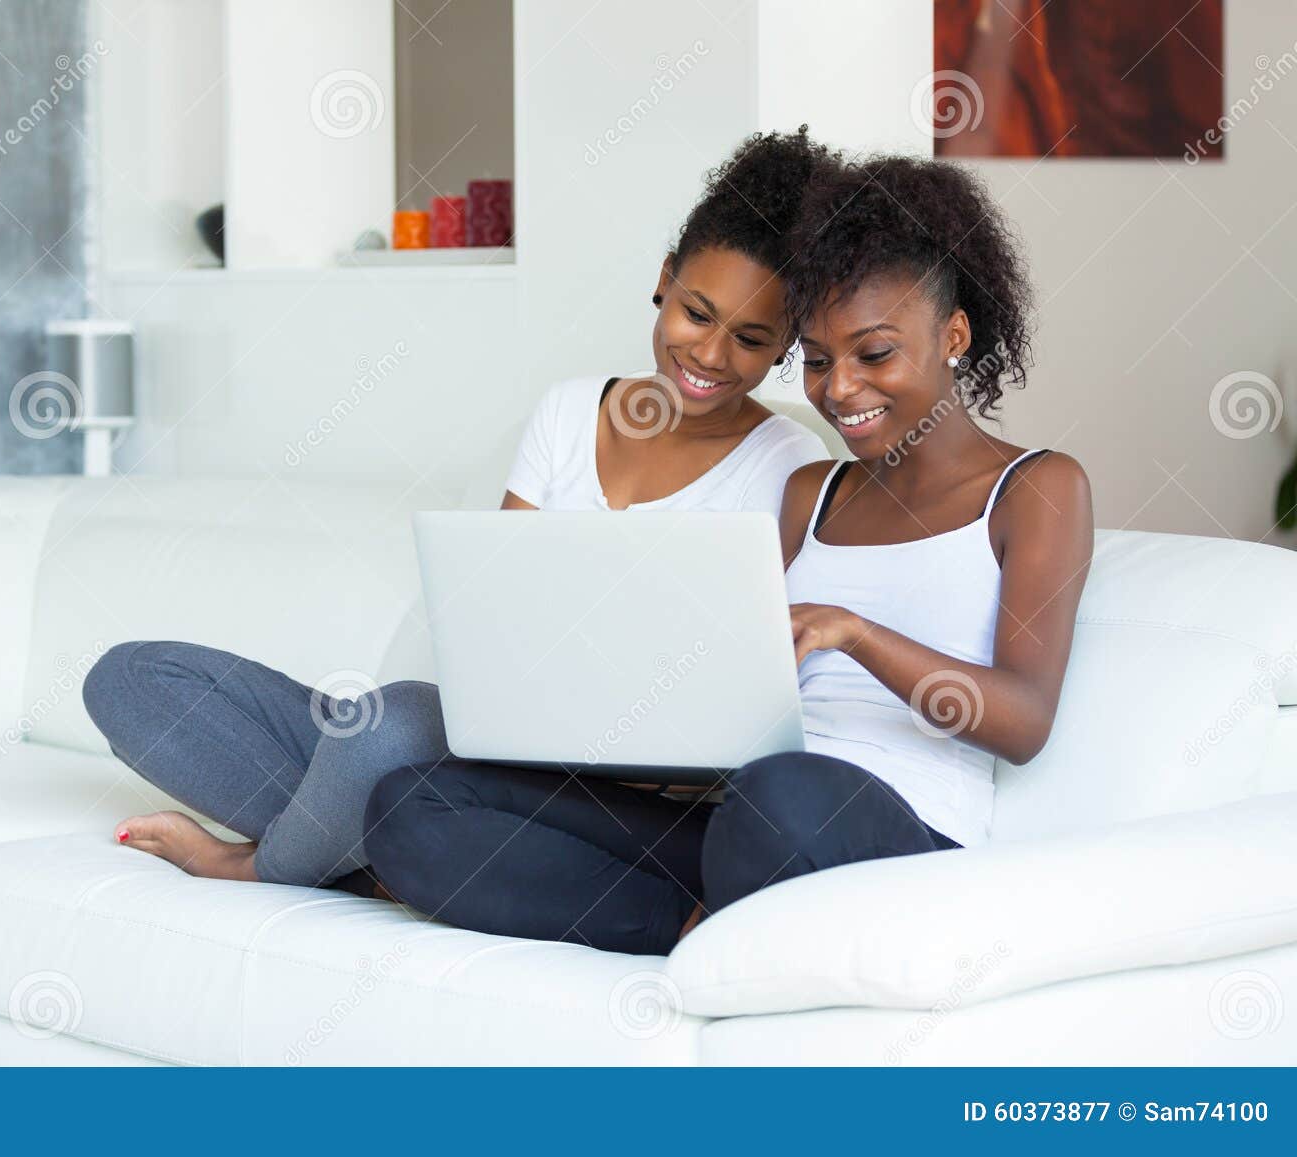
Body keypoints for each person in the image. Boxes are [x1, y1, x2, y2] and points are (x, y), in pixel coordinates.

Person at [363, 153, 1094, 954]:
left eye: (874, 354)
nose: (841, 388)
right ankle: (689, 929)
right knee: (419, 801)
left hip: (893, 834)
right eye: (816, 359)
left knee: (781, 795)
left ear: (954, 334)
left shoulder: (1037, 487)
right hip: (737, 816)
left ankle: (718, 914)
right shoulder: (811, 490)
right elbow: (735, 684)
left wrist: (857, 633)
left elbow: (1024, 720)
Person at [80, 127, 836, 896]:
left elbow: (756, 697)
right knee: (136, 680)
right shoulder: (570, 411)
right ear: (665, 280)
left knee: (383, 730)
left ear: (782, 348)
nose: (709, 354)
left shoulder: (791, 467)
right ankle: (367, 845)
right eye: (696, 313)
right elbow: (490, 613)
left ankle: (261, 862)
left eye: (749, 338)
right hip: (483, 744)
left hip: (625, 797)